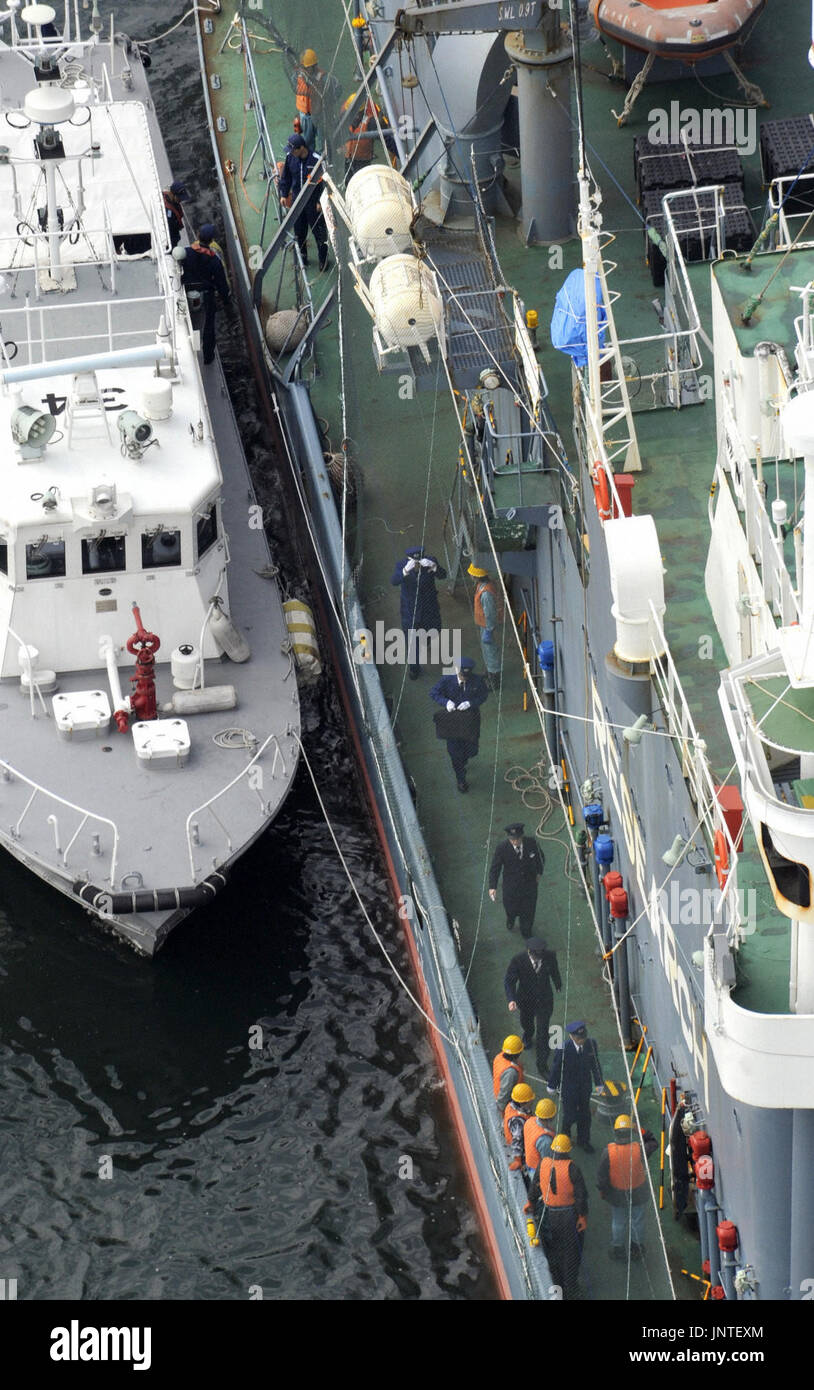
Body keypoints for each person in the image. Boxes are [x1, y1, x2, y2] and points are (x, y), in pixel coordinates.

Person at [534, 1134, 588, 1298]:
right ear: (567, 1151)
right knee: (571, 1252)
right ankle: (571, 1287)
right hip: (568, 1216)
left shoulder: (543, 1164)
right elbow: (580, 1196)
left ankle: (556, 1284)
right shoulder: (572, 1168)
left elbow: (535, 1186)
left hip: (548, 1214)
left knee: (553, 1250)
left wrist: (530, 1202)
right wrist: (582, 1217)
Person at [172, 222, 230, 365]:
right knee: (208, 327)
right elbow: (222, 283)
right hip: (206, 295)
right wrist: (226, 299)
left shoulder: (186, 252)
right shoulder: (214, 261)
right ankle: (208, 357)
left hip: (186, 292)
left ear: (198, 236)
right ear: (211, 241)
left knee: (184, 321)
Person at [429, 657, 489, 793]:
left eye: (466, 676)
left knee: (472, 750)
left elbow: (483, 695)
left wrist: (471, 703)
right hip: (453, 723)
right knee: (455, 753)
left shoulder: (477, 681)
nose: (464, 679)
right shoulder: (447, 681)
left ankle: (463, 760)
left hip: (470, 721)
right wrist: (446, 702)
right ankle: (461, 779)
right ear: (457, 671)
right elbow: (434, 693)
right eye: (462, 675)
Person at [504, 936, 562, 1074]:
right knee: (527, 1022)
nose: (539, 958)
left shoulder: (549, 956)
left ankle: (542, 1064)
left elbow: (554, 970)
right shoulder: (518, 960)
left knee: (543, 1031)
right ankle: (528, 1035)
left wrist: (558, 984)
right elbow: (509, 980)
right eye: (536, 955)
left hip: (544, 1000)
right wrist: (511, 999)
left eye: (541, 955)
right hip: (525, 999)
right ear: (529, 952)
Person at [597, 1114, 650, 1260]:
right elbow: (653, 1143)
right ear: (630, 1132)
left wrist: (604, 1192)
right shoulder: (639, 1149)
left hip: (617, 1194)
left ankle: (618, 1248)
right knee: (637, 1220)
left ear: (615, 1132)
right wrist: (639, 1129)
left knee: (618, 1221)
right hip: (639, 1192)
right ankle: (636, 1248)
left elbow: (601, 1177)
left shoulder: (608, 1152)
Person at [390, 546, 446, 679]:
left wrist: (434, 567)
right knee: (412, 645)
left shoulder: (431, 561)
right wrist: (404, 571)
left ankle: (425, 640)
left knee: (435, 629)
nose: (416, 564)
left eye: (418, 561)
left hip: (429, 609)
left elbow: (443, 575)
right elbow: (394, 581)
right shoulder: (401, 565)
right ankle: (414, 669)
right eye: (414, 562)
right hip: (411, 612)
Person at [547, 1021, 602, 1153]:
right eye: (579, 1038)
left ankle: (584, 1141)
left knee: (585, 1117)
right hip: (569, 1090)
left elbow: (595, 1064)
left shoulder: (591, 1044)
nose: (582, 1040)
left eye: (583, 1037)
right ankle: (564, 1141)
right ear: (572, 1036)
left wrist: (599, 1082)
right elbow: (556, 1068)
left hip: (584, 1089)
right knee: (569, 1116)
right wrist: (552, 1085)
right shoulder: (563, 1049)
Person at [278, 135, 329, 271]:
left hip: (313, 204)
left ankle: (323, 260)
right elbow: (286, 176)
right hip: (297, 201)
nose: (291, 152)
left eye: (293, 149)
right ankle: (303, 259)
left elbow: (326, 182)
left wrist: (320, 201)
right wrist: (284, 194)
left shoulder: (317, 160)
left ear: (301, 148)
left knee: (319, 233)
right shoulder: (290, 157)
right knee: (299, 233)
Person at [489, 823, 545, 938]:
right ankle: (511, 919)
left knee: (528, 913)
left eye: (517, 839)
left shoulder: (531, 843)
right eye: (512, 839)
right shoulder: (502, 848)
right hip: (511, 887)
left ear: (522, 836)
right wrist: (492, 887)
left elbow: (541, 858)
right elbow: (495, 868)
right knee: (511, 909)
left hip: (529, 886)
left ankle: (526, 933)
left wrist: (539, 872)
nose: (515, 842)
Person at [343, 94, 397, 179]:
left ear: (361, 111)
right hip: (348, 158)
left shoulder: (371, 122)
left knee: (362, 181)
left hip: (363, 162)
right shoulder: (346, 118)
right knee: (348, 183)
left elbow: (386, 140)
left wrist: (398, 151)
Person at [468, 563, 503, 688]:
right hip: (484, 624)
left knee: (491, 651)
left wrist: (489, 630)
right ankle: (490, 671)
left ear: (477, 576)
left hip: (488, 626)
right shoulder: (482, 586)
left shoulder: (486, 593)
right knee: (487, 650)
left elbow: (490, 613)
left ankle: (495, 678)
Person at [295, 48, 328, 152]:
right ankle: (310, 160)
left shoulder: (322, 77)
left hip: (319, 114)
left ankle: (325, 157)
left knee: (323, 140)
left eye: (308, 67)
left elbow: (336, 90)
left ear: (314, 66)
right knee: (308, 141)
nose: (306, 70)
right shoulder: (298, 76)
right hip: (305, 115)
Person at [503, 1082, 535, 1173]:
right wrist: (518, 1160)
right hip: (524, 1150)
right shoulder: (518, 1121)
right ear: (522, 1103)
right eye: (530, 1100)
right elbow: (517, 1140)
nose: (532, 1101)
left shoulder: (510, 1106)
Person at [524, 1097, 558, 1181]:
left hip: (529, 1163)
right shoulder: (545, 1141)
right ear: (552, 1117)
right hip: (538, 1172)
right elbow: (548, 1162)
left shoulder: (530, 1121)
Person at [492, 1034, 524, 1117]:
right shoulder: (511, 1073)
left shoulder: (499, 1057)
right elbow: (505, 1093)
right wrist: (501, 1109)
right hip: (506, 1105)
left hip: (497, 1090)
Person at [163, 179, 188, 250]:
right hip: (171, 240)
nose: (180, 200)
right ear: (172, 194)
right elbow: (170, 231)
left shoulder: (174, 202)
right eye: (179, 198)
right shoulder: (168, 213)